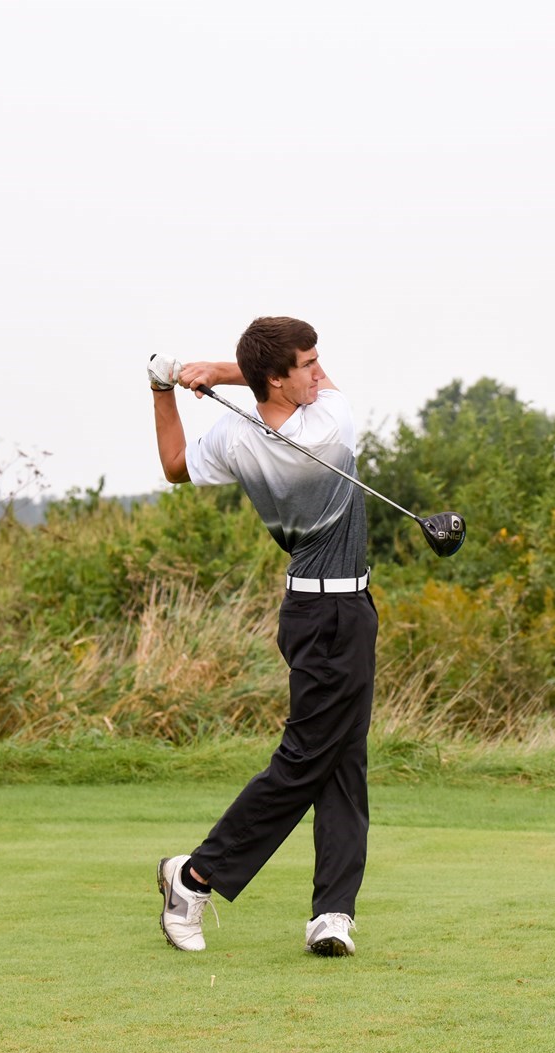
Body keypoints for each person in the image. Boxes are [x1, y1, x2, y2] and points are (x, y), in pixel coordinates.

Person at [147, 316, 377, 957]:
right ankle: (194, 877)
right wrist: (219, 370)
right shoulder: (331, 420)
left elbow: (172, 464)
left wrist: (162, 387)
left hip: (328, 613)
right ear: (279, 377)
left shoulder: (229, 437)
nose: (317, 370)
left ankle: (332, 911)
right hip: (329, 618)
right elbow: (309, 383)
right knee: (306, 761)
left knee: (341, 760)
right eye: (306, 362)